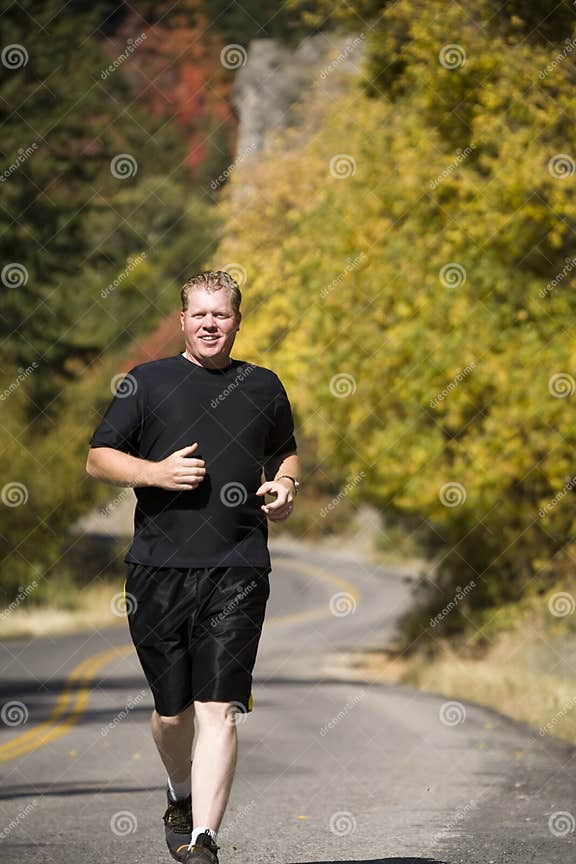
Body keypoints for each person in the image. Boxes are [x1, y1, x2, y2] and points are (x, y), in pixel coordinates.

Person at [86, 270, 300, 864]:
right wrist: (153, 473)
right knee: (172, 713)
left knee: (218, 708)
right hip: (158, 569)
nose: (211, 324)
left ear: (237, 320)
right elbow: (98, 459)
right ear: (182, 320)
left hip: (238, 568)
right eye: (200, 314)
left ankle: (204, 839)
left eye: (222, 314)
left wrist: (286, 483)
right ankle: (179, 794)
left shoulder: (263, 385)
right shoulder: (145, 383)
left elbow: (285, 449)